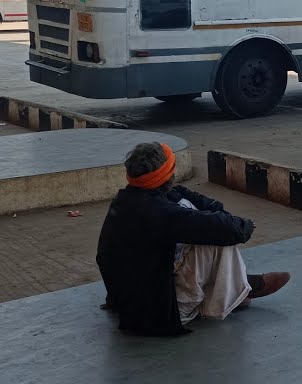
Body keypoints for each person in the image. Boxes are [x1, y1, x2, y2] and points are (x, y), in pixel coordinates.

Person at [96, 142, 291, 336]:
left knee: (193, 213)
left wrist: (213, 207)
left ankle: (237, 287)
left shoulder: (129, 199)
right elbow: (227, 229)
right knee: (215, 240)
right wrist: (245, 225)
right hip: (154, 315)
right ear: (167, 175)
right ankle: (242, 290)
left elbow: (185, 198)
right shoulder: (158, 213)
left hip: (125, 303)